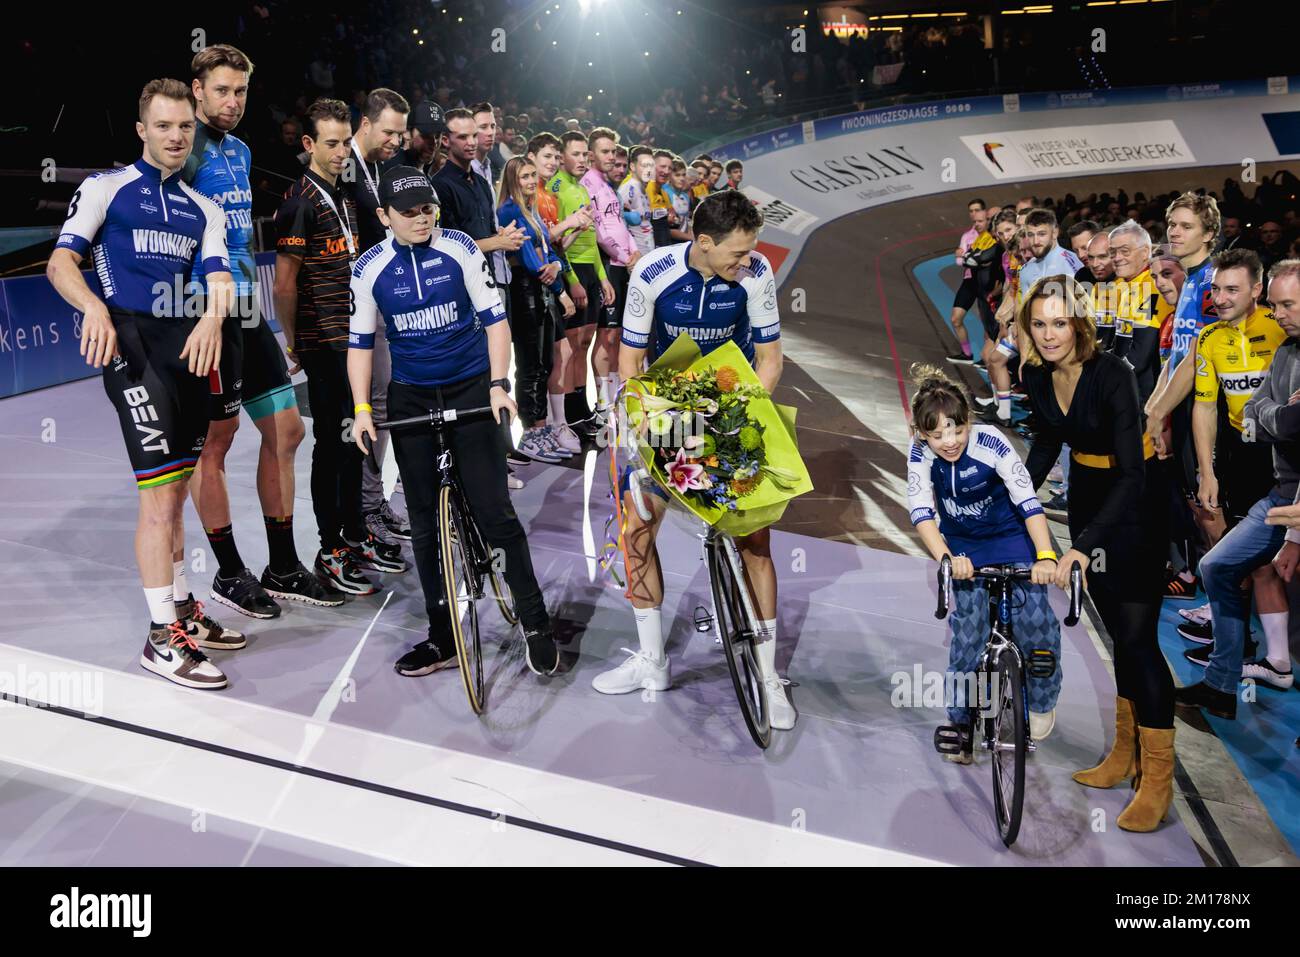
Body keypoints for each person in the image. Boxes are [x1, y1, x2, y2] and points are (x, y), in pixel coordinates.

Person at [47, 78, 235, 688]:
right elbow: (60, 262)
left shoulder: (203, 208)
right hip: (132, 352)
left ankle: (180, 612)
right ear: (141, 130)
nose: (176, 136)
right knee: (157, 498)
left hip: (187, 352)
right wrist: (95, 309)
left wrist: (212, 315)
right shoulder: (106, 188)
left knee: (177, 490)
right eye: (163, 126)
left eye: (184, 126)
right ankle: (160, 641)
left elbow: (221, 278)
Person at [348, 167, 559, 676]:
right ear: (384, 216)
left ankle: (535, 622)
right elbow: (359, 343)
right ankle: (441, 637)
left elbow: (495, 321)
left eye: (428, 208)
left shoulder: (461, 247)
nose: (422, 218)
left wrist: (497, 385)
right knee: (423, 524)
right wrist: (359, 409)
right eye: (409, 212)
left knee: (495, 511)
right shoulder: (368, 267)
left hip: (470, 386)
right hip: (412, 396)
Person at [601, 191, 795, 729]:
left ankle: (767, 672)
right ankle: (652, 661)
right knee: (636, 526)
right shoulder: (651, 272)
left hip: (731, 406)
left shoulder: (756, 274)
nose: (747, 260)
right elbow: (632, 358)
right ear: (702, 243)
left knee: (755, 541)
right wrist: (644, 424)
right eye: (736, 252)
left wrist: (735, 416)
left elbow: (770, 359)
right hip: (666, 410)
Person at [1018, 274, 1175, 832]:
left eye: (1059, 322)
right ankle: (1124, 755)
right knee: (1118, 640)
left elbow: (1133, 475)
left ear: (1080, 322)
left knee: (1137, 643)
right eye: (1039, 323)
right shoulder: (1035, 372)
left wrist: (1081, 547)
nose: (1050, 333)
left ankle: (1158, 781)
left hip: (1135, 508)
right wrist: (1011, 497)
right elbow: (1044, 442)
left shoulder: (1115, 374)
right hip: (1087, 500)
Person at [182, 44, 327, 621]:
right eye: (221, 90)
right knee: (212, 446)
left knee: (287, 431)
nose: (232, 101)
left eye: (240, 91)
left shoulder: (239, 150)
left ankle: (284, 565)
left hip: (248, 309)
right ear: (197, 90)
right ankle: (228, 571)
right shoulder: (181, 147)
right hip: (203, 311)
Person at [274, 97, 402, 595]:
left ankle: (354, 534)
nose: (340, 152)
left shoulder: (346, 199)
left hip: (355, 342)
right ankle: (329, 550)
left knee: (355, 442)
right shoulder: (298, 202)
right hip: (323, 345)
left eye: (343, 143)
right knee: (331, 448)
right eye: (329, 144)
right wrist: (293, 342)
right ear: (308, 145)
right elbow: (285, 285)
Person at [906, 364, 1063, 756]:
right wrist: (946, 559)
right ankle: (960, 722)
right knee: (969, 637)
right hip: (964, 550)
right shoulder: (919, 454)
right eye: (937, 433)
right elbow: (922, 512)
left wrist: (1044, 555)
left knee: (1037, 624)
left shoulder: (991, 442)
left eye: (957, 429)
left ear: (968, 421)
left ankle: (1042, 701)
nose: (949, 441)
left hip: (1010, 539)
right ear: (921, 433)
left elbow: (1028, 502)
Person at [1175, 250, 1290, 702]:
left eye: (1231, 290)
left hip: (1283, 457)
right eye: (1216, 289)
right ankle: (1256, 656)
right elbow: (1205, 407)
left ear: (1257, 291)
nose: (1219, 298)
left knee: (1258, 561)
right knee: (1246, 560)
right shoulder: (1209, 338)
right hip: (1243, 458)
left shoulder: (1283, 330)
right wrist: (1208, 471)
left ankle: (1261, 657)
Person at [343, 87, 412, 548]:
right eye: (389, 132)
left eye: (401, 134)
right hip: (357, 307)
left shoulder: (375, 168)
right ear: (365, 124)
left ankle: (372, 502)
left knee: (382, 406)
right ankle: (364, 509)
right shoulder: (346, 167)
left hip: (379, 302)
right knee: (368, 408)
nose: (396, 141)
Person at [498, 155, 575, 463]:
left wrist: (556, 264)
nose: (530, 181)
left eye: (532, 175)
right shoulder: (509, 209)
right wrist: (561, 291)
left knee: (543, 364)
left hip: (538, 291)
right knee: (530, 367)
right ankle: (532, 433)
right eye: (524, 177)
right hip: (525, 291)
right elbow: (532, 262)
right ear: (512, 181)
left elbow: (549, 253)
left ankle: (541, 430)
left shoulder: (530, 208)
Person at [550, 130, 615, 437]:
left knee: (586, 342)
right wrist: (572, 281)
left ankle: (582, 409)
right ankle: (571, 415)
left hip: (591, 269)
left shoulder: (581, 187)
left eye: (584, 155)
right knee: (573, 346)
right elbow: (559, 243)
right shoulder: (557, 188)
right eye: (575, 154)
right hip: (572, 270)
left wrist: (602, 278)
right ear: (561, 156)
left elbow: (590, 238)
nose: (581, 160)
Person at [582, 127, 641, 423]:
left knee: (617, 335)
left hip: (620, 265)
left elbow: (619, 224)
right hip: (606, 264)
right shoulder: (588, 184)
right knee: (606, 336)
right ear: (592, 154)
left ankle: (617, 401)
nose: (610, 156)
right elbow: (600, 232)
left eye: (613, 151)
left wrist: (634, 253)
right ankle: (603, 406)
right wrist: (622, 255)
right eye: (605, 151)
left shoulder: (608, 185)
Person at [945, 198, 989, 365]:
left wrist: (965, 256)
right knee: (956, 319)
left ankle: (987, 358)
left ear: (985, 212)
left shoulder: (992, 236)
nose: (974, 214)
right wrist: (964, 258)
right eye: (971, 211)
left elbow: (964, 257)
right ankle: (967, 353)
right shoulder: (967, 236)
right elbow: (959, 261)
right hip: (970, 280)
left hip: (987, 282)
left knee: (987, 323)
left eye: (977, 210)